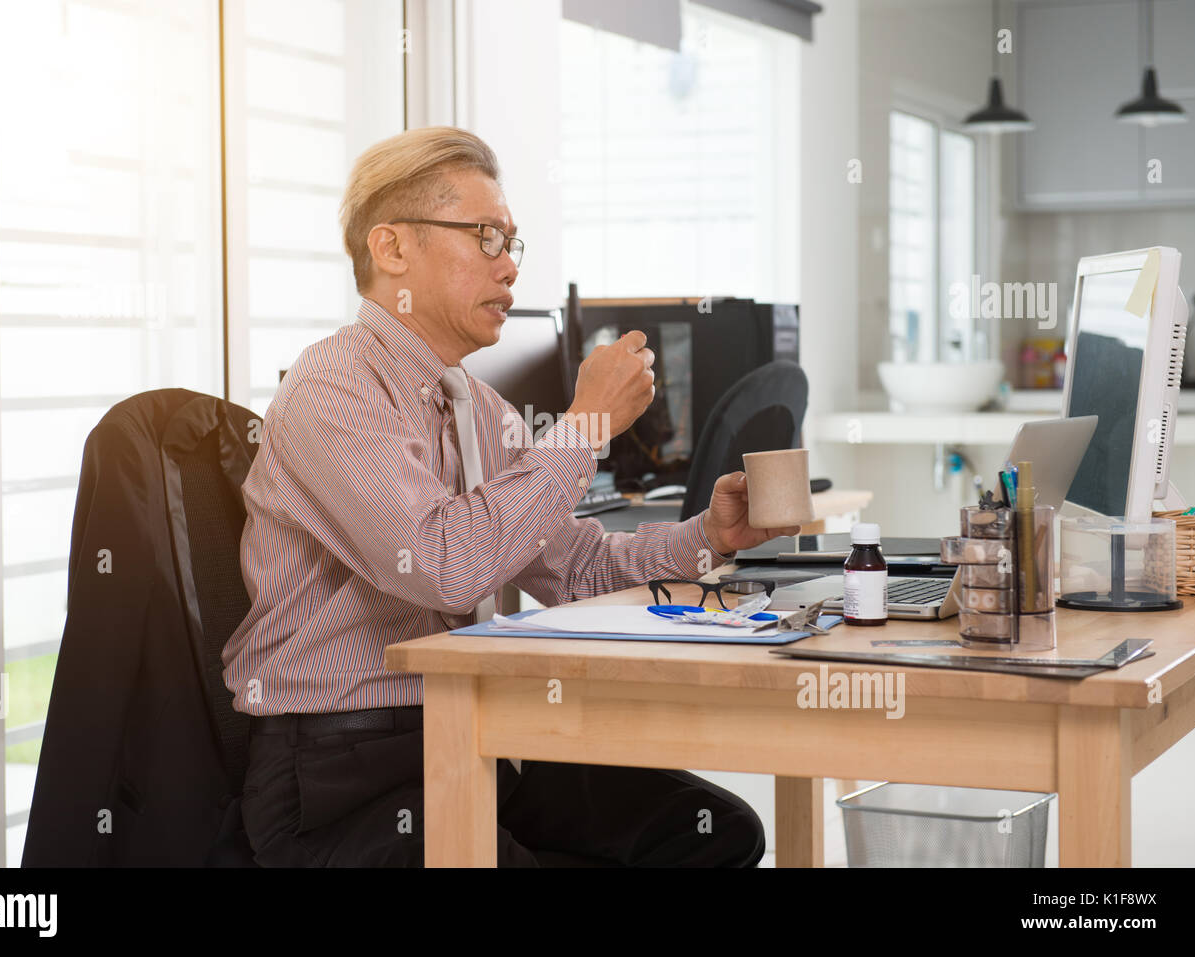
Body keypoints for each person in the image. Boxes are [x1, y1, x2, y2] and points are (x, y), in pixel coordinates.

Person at [223, 126, 801, 867]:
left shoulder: (476, 406)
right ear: (392, 250)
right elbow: (445, 563)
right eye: (485, 237)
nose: (509, 269)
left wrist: (709, 536)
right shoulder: (333, 388)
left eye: (512, 244)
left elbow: (577, 569)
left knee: (711, 831)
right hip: (338, 773)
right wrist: (585, 423)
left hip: (464, 734)